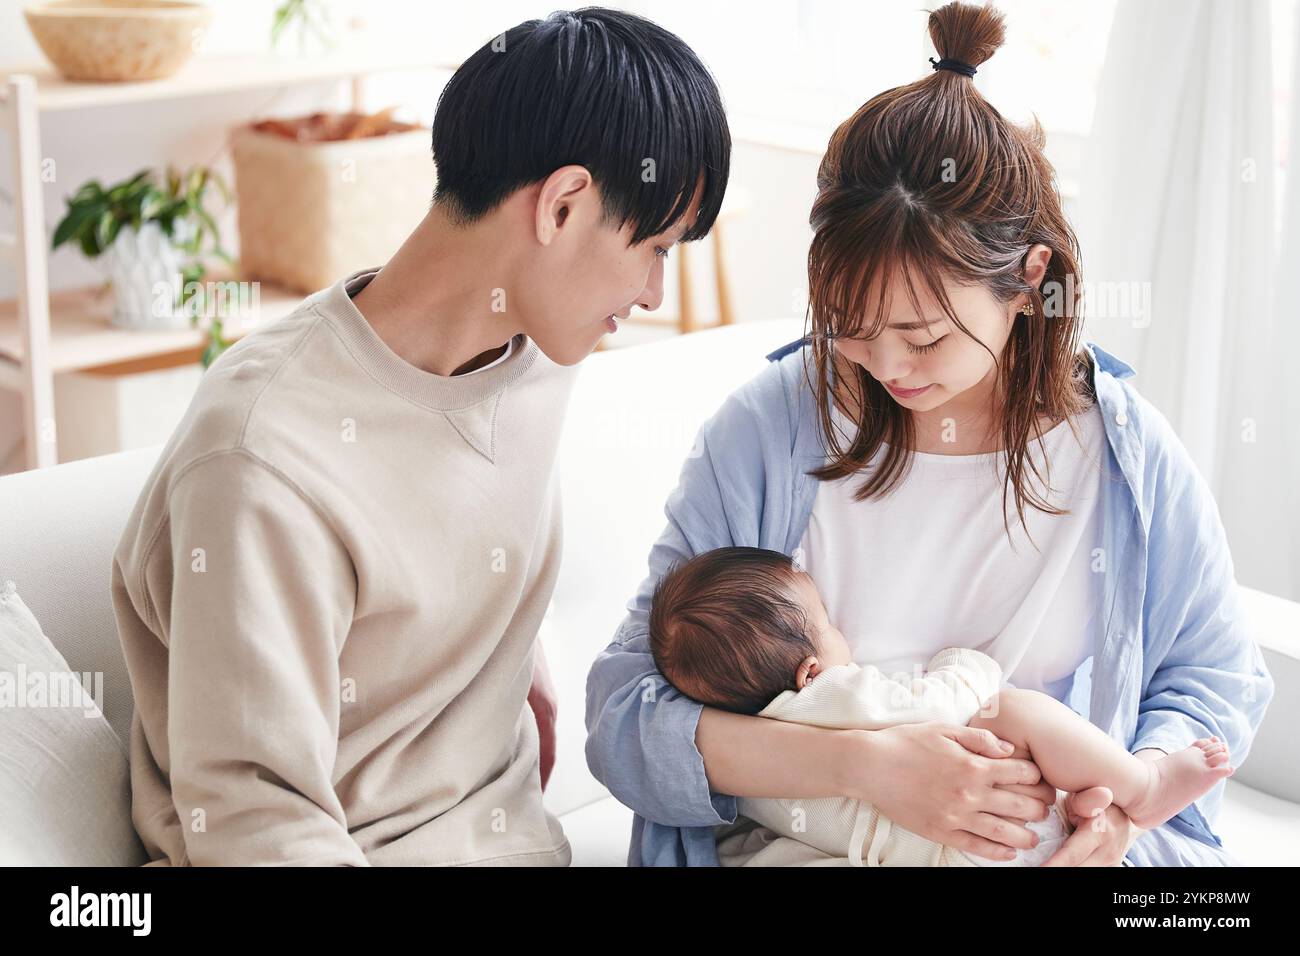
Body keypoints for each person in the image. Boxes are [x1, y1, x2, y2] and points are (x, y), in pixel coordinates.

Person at [584, 0, 1273, 867]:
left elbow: (1212, 680)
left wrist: (1122, 806)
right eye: (849, 325)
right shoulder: (768, 430)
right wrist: (862, 765)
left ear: (1030, 284)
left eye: (924, 336)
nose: (885, 366)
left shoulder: (1125, 457)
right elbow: (624, 714)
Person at [111, 7, 730, 865]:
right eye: (655, 246)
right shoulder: (262, 457)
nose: (657, 291)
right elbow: (254, 820)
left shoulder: (539, 354)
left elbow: (444, 528)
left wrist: (514, 650)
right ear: (561, 206)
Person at [646, 546, 1235, 867]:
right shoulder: (837, 693)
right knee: (1009, 711)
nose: (840, 628)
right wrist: (961, 665)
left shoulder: (749, 776)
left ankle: (1087, 805)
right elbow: (935, 706)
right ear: (810, 671)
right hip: (1000, 831)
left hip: (965, 853)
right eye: (827, 621)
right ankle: (1145, 785)